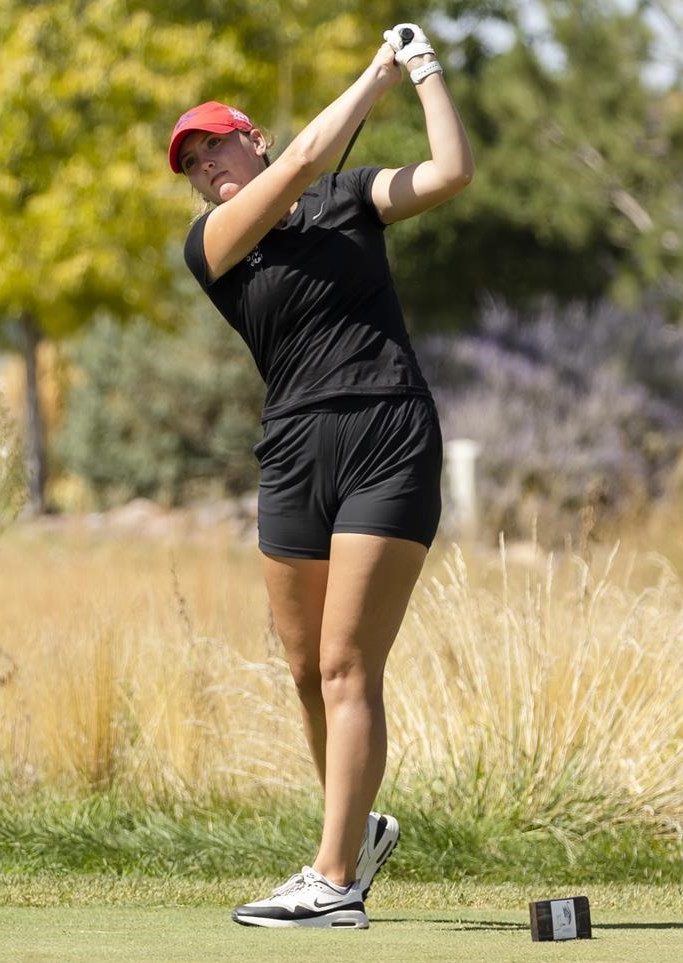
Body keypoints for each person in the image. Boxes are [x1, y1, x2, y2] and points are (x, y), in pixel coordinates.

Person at [167, 23, 473, 929]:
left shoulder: (349, 198)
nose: (205, 168)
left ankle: (334, 879)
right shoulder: (214, 242)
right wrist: (374, 75)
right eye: (192, 165)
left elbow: (450, 172)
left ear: (250, 137)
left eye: (215, 147)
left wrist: (422, 70)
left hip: (386, 433)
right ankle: (357, 830)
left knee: (345, 663)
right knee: (306, 669)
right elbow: (302, 159)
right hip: (294, 451)